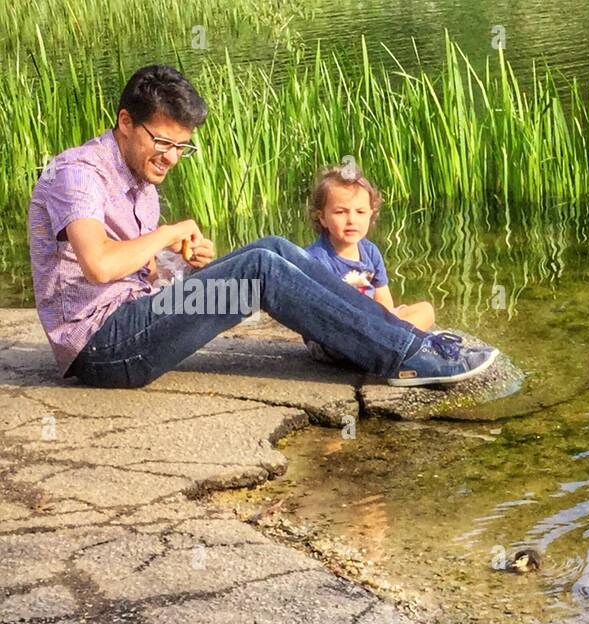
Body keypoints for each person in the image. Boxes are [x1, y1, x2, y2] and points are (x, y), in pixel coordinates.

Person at [27, 64, 497, 389]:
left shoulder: (139, 180)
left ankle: (401, 341)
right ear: (125, 121)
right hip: (104, 349)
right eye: (163, 141)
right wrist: (169, 233)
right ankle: (406, 357)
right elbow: (98, 266)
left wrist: (175, 264)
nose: (171, 156)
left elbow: (141, 274)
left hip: (133, 321)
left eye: (182, 146)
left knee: (270, 248)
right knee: (260, 269)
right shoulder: (77, 174)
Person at [299, 163, 436, 365]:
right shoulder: (316, 259)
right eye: (340, 212)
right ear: (323, 218)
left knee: (425, 310)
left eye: (360, 212)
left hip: (372, 325)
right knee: (360, 335)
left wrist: (390, 321)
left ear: (371, 214)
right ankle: (390, 349)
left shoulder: (370, 252)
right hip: (332, 337)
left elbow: (384, 303)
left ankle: (389, 345)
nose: (352, 220)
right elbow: (321, 317)